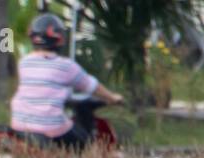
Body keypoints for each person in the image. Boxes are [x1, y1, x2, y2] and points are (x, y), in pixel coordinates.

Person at [10, 13, 124, 149]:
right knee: (83, 141)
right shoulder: (66, 66)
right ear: (59, 38)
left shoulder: (24, 62)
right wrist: (112, 97)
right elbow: (92, 86)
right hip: (50, 126)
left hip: (19, 124)